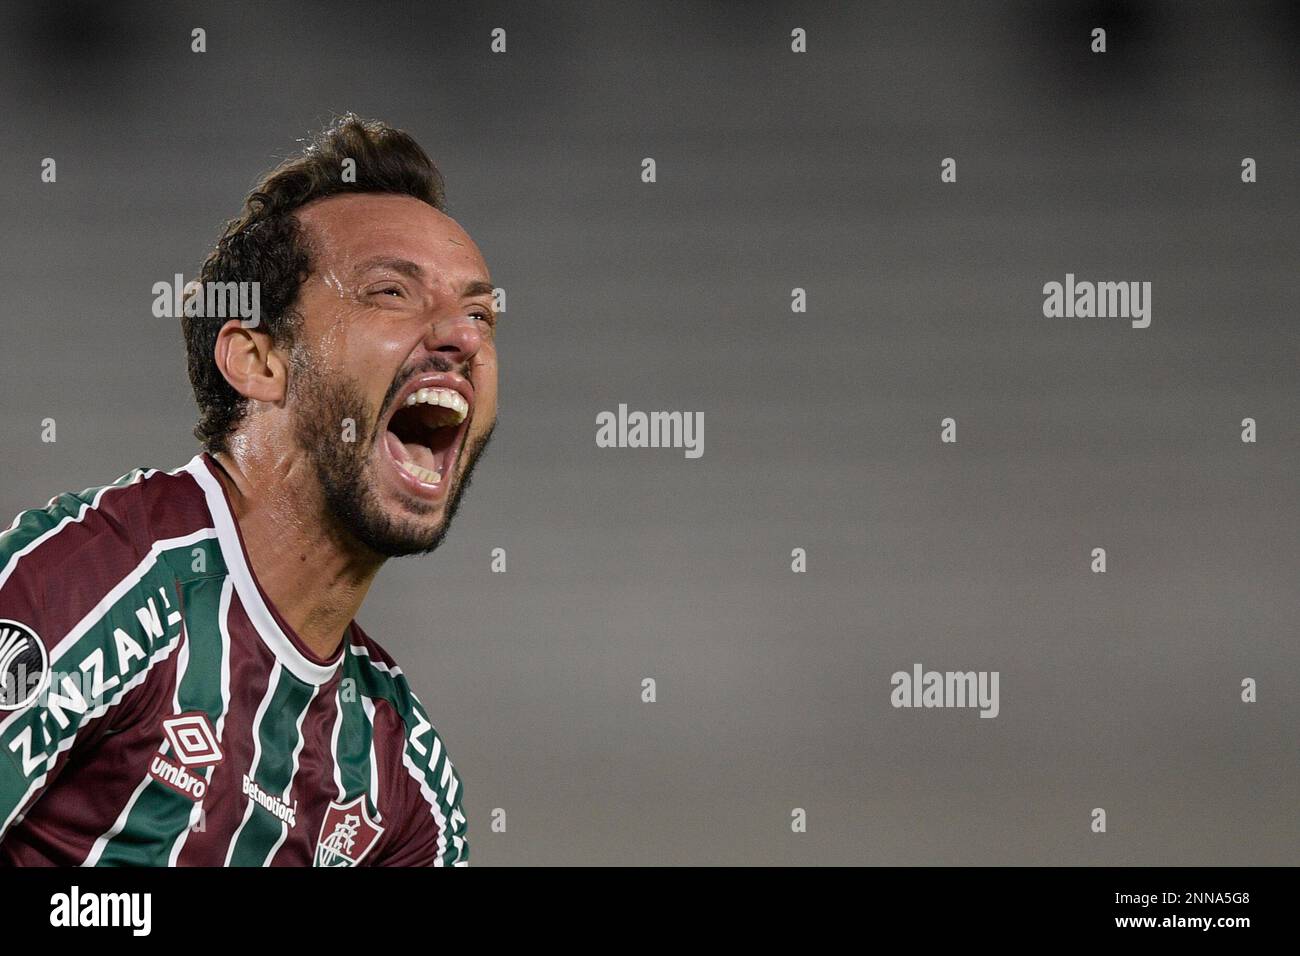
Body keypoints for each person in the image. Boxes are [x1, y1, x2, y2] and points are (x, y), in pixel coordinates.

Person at [0, 114, 497, 866]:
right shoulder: (92, 592)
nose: (461, 337)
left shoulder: (406, 787)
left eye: (480, 313)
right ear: (259, 362)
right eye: (392, 292)